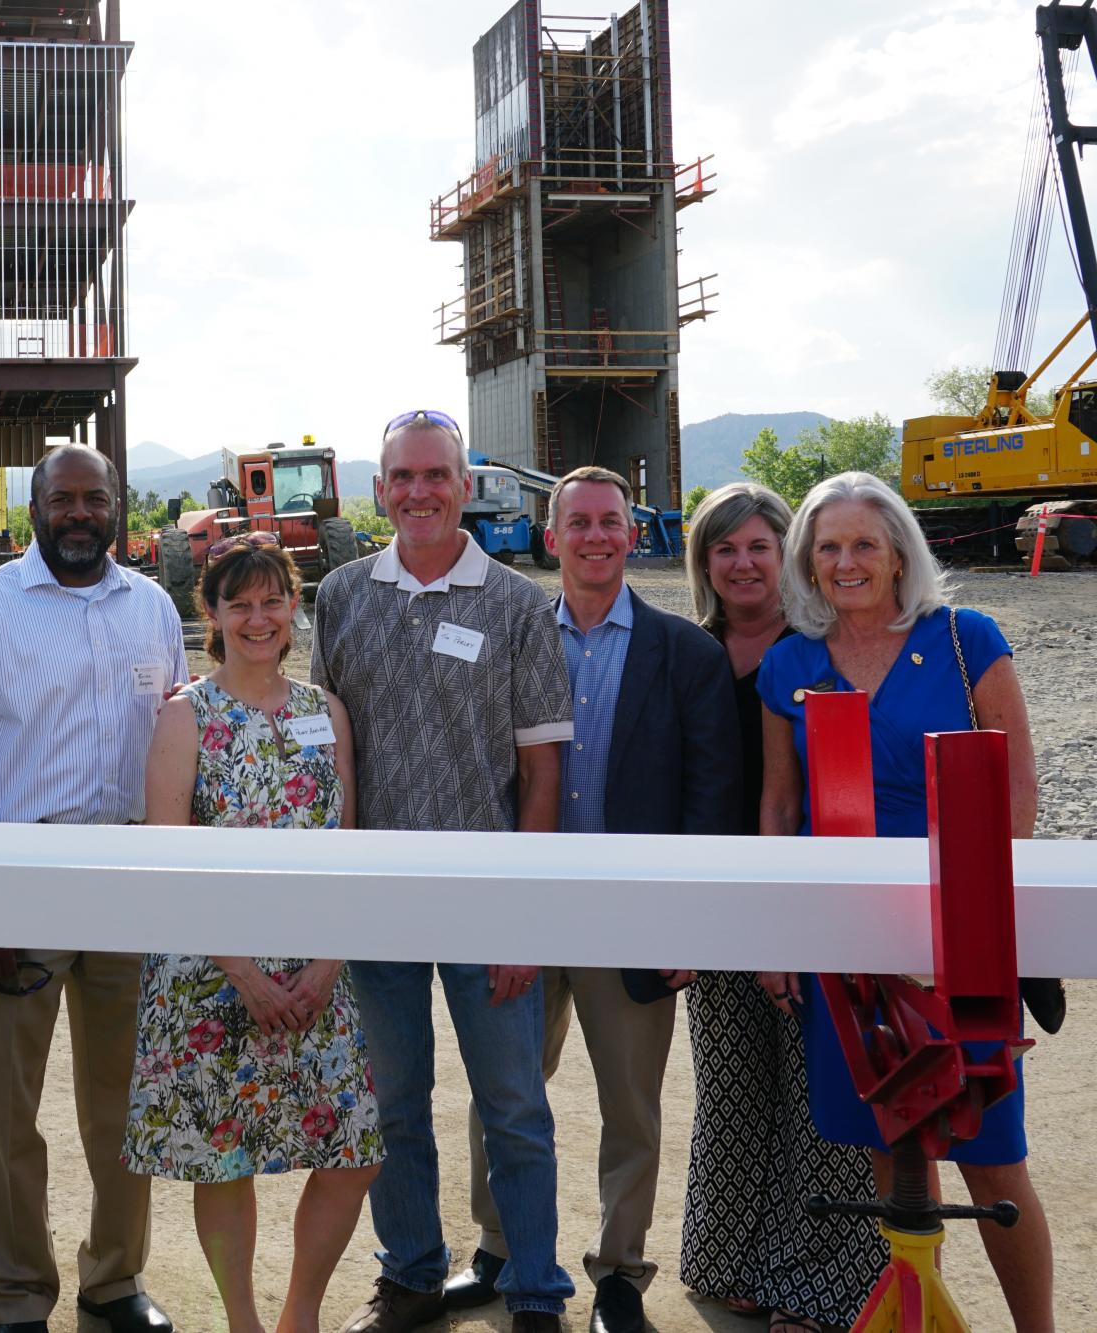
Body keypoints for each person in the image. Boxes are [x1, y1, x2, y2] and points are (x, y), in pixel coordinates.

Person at [756, 471, 1056, 1332]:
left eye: (864, 545)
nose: (847, 562)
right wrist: (782, 935)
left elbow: (1018, 782)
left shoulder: (967, 637)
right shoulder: (790, 662)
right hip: (846, 941)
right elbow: (781, 805)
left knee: (993, 1159)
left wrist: (982, 913)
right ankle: (919, 1315)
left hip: (961, 938)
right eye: (828, 547)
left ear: (899, 554)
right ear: (808, 564)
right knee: (897, 1150)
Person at [450, 466, 741, 1333]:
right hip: (525, 910)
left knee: (632, 1105)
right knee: (503, 1092)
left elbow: (711, 797)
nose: (595, 537)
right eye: (577, 523)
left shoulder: (686, 651)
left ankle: (619, 1274)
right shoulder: (506, 634)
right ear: (551, 538)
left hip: (631, 917)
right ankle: (498, 1250)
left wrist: (685, 916)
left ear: (633, 532)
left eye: (611, 521)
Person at [310, 410, 575, 1333]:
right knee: (394, 1104)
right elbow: (324, 749)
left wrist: (522, 916)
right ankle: (414, 1275)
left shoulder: (516, 603)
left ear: (466, 485)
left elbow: (543, 770)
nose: (418, 491)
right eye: (401, 477)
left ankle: (537, 1289)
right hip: (377, 902)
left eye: (437, 474)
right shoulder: (342, 594)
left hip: (483, 904)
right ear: (380, 489)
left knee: (513, 1106)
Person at [0, 444, 185, 1333]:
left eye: (95, 498)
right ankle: (17, 1293)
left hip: (130, 880)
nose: (79, 513)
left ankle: (115, 1281)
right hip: (18, 883)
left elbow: (175, 747)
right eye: (61, 498)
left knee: (127, 1102)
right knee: (5, 1115)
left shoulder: (152, 608)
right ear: (32, 509)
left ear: (118, 508)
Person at [124, 533, 383, 1333]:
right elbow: (172, 861)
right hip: (212, 975)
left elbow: (348, 849)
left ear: (293, 605)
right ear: (210, 612)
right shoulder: (183, 716)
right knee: (224, 1151)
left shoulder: (323, 711)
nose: (259, 617)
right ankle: (240, 1318)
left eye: (273, 599)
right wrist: (245, 973)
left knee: (355, 1148)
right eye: (240, 602)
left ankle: (297, 1314)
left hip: (316, 973)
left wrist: (323, 967)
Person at [676, 483, 887, 1331]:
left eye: (760, 545)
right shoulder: (684, 654)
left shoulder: (815, 651)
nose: (743, 562)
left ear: (785, 554)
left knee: (818, 1098)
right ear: (704, 563)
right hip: (715, 901)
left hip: (810, 900)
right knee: (729, 1089)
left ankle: (818, 1280)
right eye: (724, 548)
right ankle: (726, 1256)